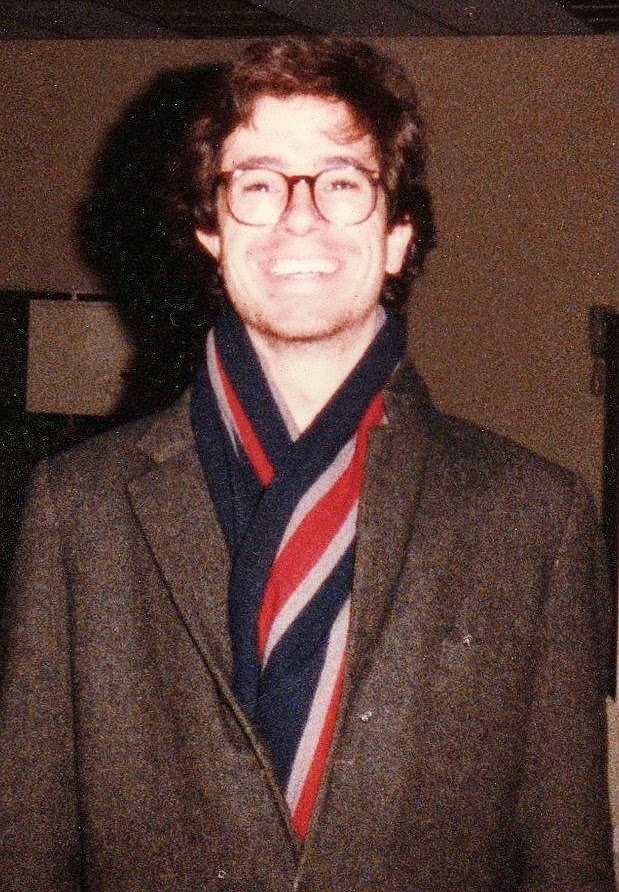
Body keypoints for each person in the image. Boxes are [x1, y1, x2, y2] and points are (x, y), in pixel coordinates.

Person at [0, 36, 614, 892]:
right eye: (257, 184)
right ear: (210, 231)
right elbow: (25, 852)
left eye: (340, 182)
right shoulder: (80, 509)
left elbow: (568, 862)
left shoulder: (534, 516)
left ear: (398, 234)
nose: (298, 217)